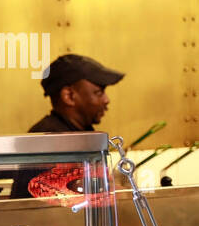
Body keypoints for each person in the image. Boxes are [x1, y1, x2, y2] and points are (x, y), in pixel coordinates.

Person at [10, 54, 124, 198]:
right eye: (98, 92)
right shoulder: (51, 139)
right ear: (69, 96)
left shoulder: (81, 133)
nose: (106, 100)